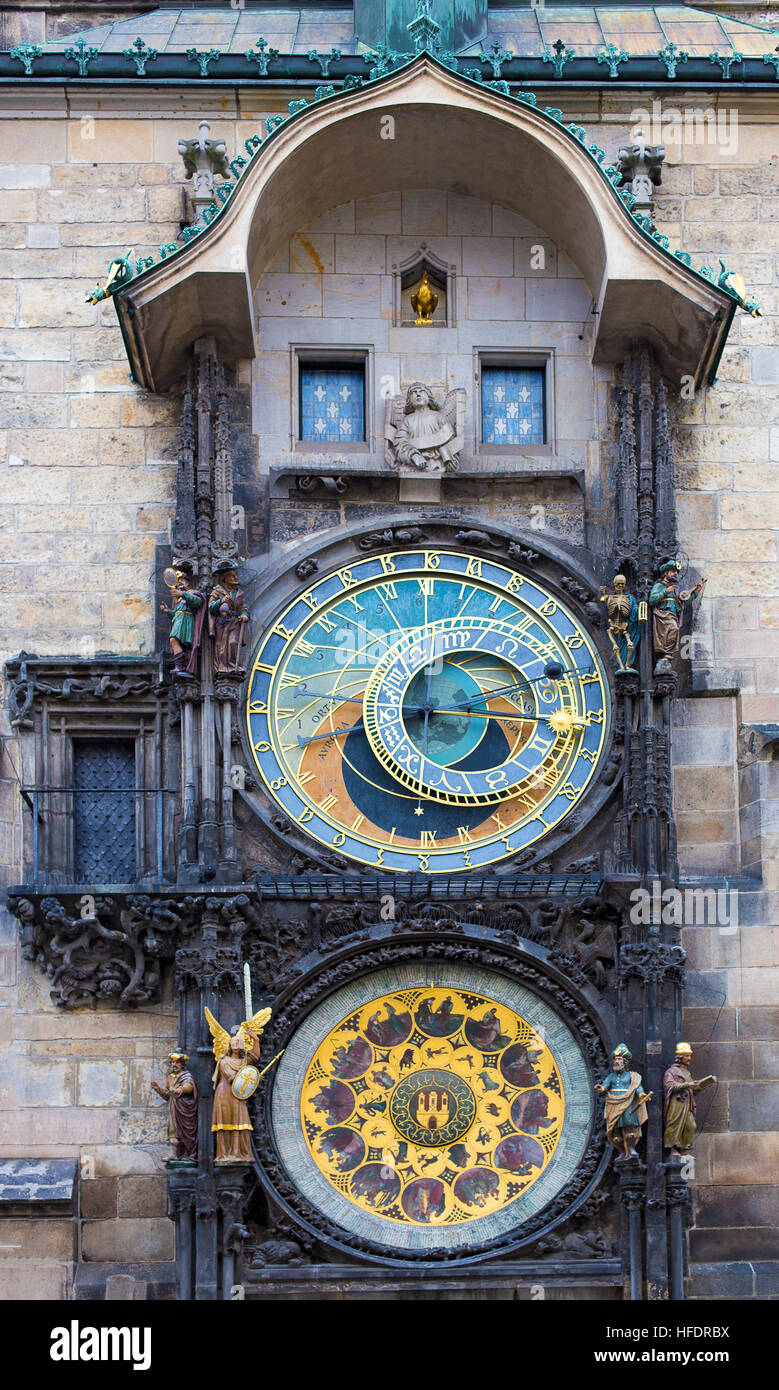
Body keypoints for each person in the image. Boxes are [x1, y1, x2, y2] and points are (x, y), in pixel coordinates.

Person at [596, 1043, 653, 1158]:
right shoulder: (611, 1077)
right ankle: (622, 1151)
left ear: (625, 1062)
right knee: (615, 1131)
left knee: (629, 1129)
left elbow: (637, 1087)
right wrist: (600, 1088)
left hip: (628, 1104)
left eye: (619, 1059)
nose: (617, 1062)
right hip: (613, 1104)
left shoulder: (631, 1076)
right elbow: (605, 1086)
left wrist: (641, 1094)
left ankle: (631, 1149)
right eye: (615, 1059)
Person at [648, 561, 705, 668]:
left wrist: (696, 591)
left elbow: (682, 603)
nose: (675, 574)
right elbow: (652, 600)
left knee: (674, 631)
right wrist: (666, 591)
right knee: (672, 630)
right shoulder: (660, 586)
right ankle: (664, 654)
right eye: (673, 571)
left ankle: (667, 654)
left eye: (676, 572)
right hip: (663, 616)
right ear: (665, 573)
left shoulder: (674, 590)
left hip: (673, 616)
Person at [663, 1042, 716, 1155]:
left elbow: (691, 1090)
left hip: (687, 1103)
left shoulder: (687, 1073)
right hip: (677, 1103)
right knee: (674, 1124)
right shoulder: (671, 1072)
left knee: (691, 1125)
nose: (689, 1058)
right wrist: (687, 1085)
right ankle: (672, 1149)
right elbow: (669, 1086)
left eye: (689, 1056)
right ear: (680, 1057)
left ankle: (684, 1150)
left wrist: (702, 1086)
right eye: (687, 1056)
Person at [151, 1051, 198, 1162]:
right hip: (173, 1107)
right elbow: (168, 1096)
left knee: (187, 1131)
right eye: (172, 1062)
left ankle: (191, 1154)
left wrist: (178, 1090)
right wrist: (159, 1090)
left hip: (185, 1108)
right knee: (173, 1131)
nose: (174, 1065)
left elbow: (189, 1087)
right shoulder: (170, 1078)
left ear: (182, 1064)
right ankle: (173, 1154)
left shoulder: (186, 1076)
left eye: (177, 1063)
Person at [160, 561, 205, 675]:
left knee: (173, 640)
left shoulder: (192, 593)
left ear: (187, 582)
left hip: (186, 622)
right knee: (174, 641)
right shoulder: (180, 600)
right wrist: (167, 611)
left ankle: (181, 665)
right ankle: (180, 665)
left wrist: (183, 594)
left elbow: (198, 602)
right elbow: (176, 614)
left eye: (182, 582)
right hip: (179, 621)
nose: (179, 584)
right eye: (178, 582)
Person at [209, 561, 250, 674]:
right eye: (232, 576)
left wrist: (244, 615)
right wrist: (220, 601)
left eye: (235, 575)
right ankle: (222, 666)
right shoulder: (217, 591)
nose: (236, 577)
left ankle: (234, 666)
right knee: (221, 645)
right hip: (222, 622)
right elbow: (211, 607)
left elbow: (244, 608)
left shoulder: (239, 593)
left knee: (233, 642)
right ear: (225, 578)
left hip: (235, 621)